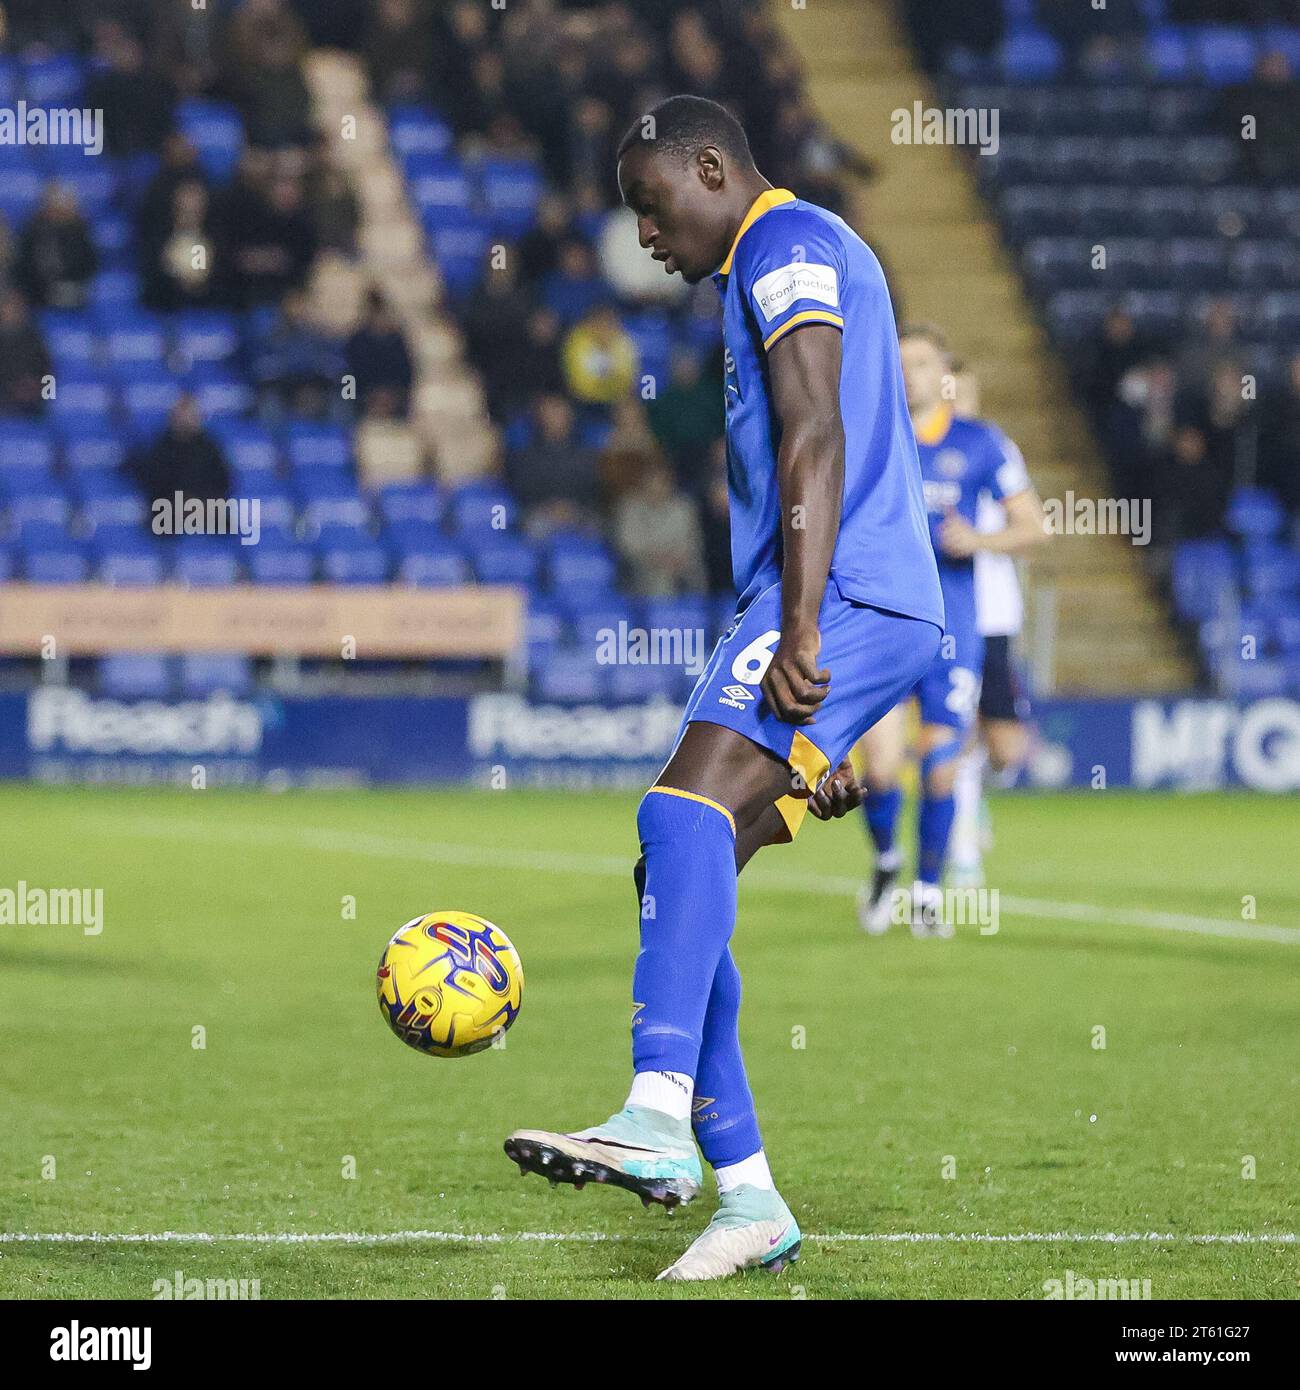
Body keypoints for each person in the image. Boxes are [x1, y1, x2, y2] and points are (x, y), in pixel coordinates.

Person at [503, 95, 945, 1282]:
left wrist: (804, 630)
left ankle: (654, 1116)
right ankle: (748, 1196)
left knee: (677, 813)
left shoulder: (786, 246)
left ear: (711, 167)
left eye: (651, 204)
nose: (644, 233)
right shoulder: (772, 261)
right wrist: (821, 709)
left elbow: (813, 433)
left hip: (837, 591)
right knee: (674, 867)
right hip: (826, 601)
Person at [855, 326, 1047, 937]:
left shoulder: (982, 444)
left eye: (922, 362)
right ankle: (887, 862)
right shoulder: (870, 436)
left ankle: (929, 890)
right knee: (881, 770)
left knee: (939, 766)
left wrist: (978, 541)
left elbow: (1035, 527)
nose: (909, 372)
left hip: (951, 631)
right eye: (901, 362)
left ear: (944, 376)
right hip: (883, 626)